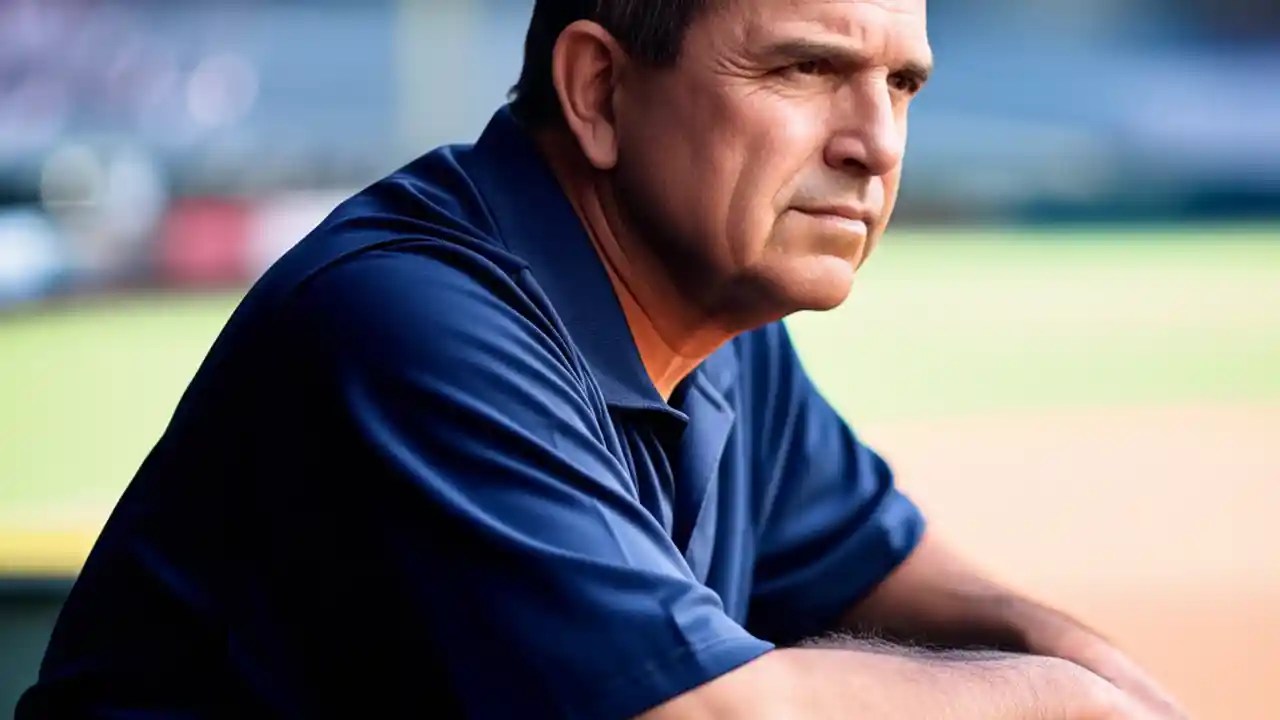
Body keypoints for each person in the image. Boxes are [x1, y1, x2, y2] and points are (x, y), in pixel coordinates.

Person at [20, 1, 1188, 718]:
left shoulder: (725, 335)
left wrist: (1100, 684)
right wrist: (1059, 708)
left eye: (900, 83)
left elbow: (936, 598)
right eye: (800, 69)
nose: (875, 144)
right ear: (597, 88)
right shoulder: (414, 321)